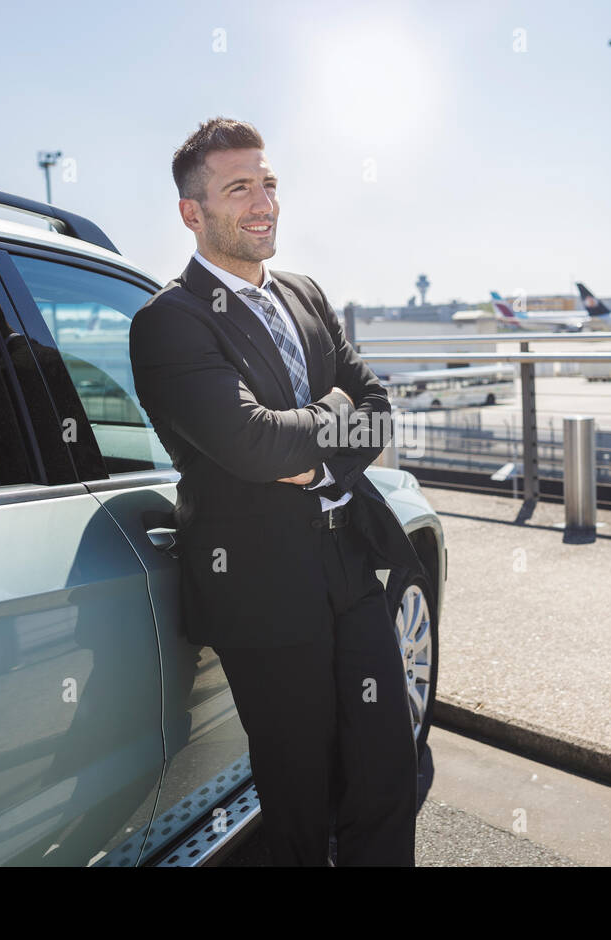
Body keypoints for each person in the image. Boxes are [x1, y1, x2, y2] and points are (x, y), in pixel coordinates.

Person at [129, 117, 425, 866]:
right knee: (299, 796)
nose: (263, 204)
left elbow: (379, 411)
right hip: (260, 584)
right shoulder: (169, 322)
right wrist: (335, 417)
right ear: (192, 213)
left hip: (350, 568)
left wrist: (318, 456)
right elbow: (254, 445)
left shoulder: (304, 293)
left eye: (268, 183)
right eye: (239, 189)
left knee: (386, 773)